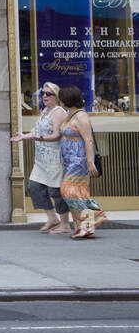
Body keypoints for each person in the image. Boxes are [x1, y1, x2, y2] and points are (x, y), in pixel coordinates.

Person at [10, 82, 71, 234]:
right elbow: (37, 131)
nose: (44, 96)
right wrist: (24, 136)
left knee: (56, 192)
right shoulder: (45, 111)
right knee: (35, 187)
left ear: (56, 97)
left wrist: (39, 138)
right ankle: (52, 218)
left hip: (54, 159)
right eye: (43, 93)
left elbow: (57, 135)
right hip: (41, 159)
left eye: (48, 94)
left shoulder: (58, 112)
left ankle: (65, 224)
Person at [57, 85, 108, 240]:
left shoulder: (81, 116)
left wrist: (90, 162)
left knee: (69, 191)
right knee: (79, 193)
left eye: (61, 99)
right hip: (70, 161)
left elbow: (88, 140)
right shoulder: (70, 115)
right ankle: (86, 227)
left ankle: (95, 216)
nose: (60, 101)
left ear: (66, 100)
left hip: (79, 161)